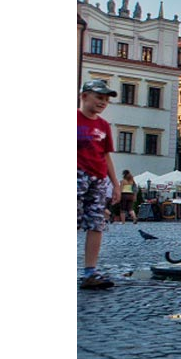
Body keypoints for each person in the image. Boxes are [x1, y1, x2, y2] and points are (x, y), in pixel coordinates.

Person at [76, 79, 118, 289]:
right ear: (84, 96)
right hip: (78, 175)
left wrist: (115, 184)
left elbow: (106, 155)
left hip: (98, 178)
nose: (103, 102)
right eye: (99, 97)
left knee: (96, 224)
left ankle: (90, 272)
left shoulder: (103, 126)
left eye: (106, 100)